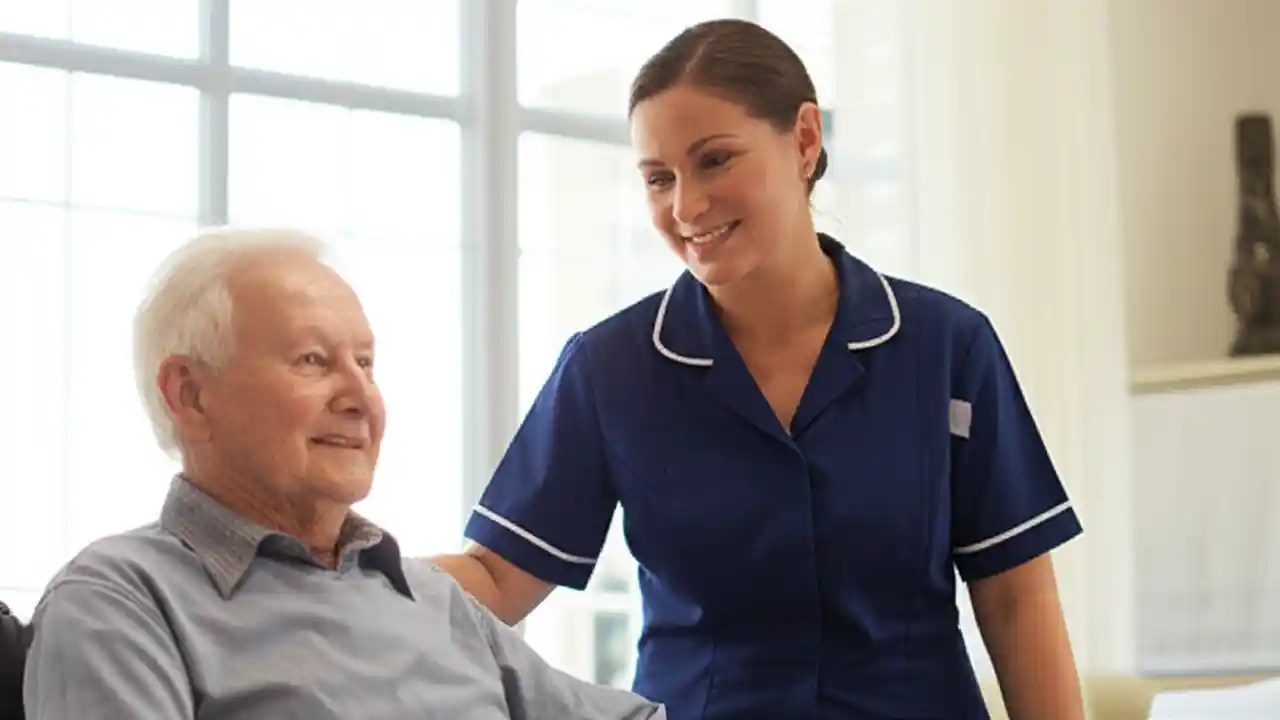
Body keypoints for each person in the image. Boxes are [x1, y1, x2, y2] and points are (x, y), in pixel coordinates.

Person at [435, 18, 1085, 720]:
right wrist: (327, 576)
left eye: (715, 160)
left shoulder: (948, 347)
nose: (685, 206)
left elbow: (1017, 600)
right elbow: (497, 576)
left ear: (805, 140)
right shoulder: (609, 369)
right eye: (659, 178)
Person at [22, 229, 665, 720]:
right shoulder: (119, 601)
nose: (362, 397)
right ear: (190, 396)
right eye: (311, 360)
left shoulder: (431, 600)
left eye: (366, 362)